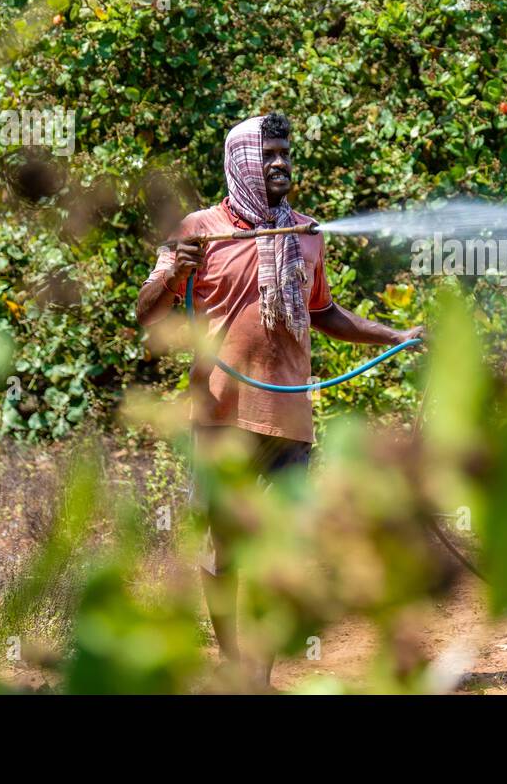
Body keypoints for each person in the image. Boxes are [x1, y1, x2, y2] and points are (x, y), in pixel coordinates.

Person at [136, 111, 424, 690]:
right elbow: (147, 315)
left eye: (285, 153)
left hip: (290, 415)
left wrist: (397, 335)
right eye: (267, 154)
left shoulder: (306, 232)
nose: (280, 164)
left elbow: (322, 313)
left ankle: (258, 678)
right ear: (241, 161)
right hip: (221, 415)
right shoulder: (202, 228)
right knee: (224, 549)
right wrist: (174, 273)